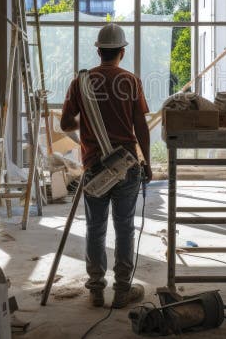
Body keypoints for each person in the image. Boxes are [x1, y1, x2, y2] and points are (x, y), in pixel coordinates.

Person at [60, 23, 152, 309]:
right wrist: (147, 162)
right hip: (126, 164)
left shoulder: (81, 83)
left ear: (99, 51)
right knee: (125, 228)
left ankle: (96, 290)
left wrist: (86, 121)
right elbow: (140, 125)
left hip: (95, 165)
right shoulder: (131, 81)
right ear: (122, 52)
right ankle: (122, 290)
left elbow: (65, 124)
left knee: (95, 227)